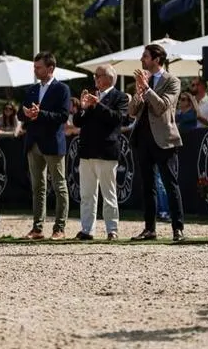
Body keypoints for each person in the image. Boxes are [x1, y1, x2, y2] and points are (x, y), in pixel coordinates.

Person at [129, 43, 186, 242]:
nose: (142, 60)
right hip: (142, 139)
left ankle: (178, 228)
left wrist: (146, 88)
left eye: (145, 56)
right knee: (147, 186)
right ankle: (149, 229)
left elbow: (162, 107)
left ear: (156, 59)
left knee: (171, 184)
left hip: (164, 139)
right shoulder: (144, 80)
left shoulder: (172, 81)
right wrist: (138, 92)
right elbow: (132, 111)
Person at [17, 51, 71, 241]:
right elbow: (19, 114)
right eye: (35, 67)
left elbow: (63, 116)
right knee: (37, 187)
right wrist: (26, 114)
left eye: (38, 67)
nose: (35, 70)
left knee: (59, 186)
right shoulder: (32, 89)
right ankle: (37, 228)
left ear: (50, 68)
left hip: (53, 143)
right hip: (33, 143)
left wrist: (41, 114)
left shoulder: (62, 89)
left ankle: (59, 228)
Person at [72, 65, 128, 241]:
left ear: (108, 78)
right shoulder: (91, 97)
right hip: (87, 150)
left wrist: (97, 105)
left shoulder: (120, 97)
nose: (94, 78)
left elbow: (117, 119)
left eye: (97, 75)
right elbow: (78, 122)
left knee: (108, 193)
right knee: (87, 194)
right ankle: (87, 229)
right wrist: (82, 107)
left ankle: (112, 229)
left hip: (106, 151)